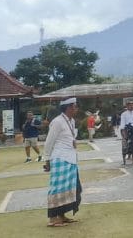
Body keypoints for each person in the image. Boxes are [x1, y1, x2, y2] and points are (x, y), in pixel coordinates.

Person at [43, 97, 83, 227]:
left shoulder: (71, 121)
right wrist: (46, 159)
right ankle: (53, 218)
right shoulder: (57, 122)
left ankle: (62, 215)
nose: (77, 108)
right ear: (69, 107)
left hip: (70, 158)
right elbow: (49, 141)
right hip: (60, 158)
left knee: (71, 188)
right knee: (58, 188)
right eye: (75, 106)